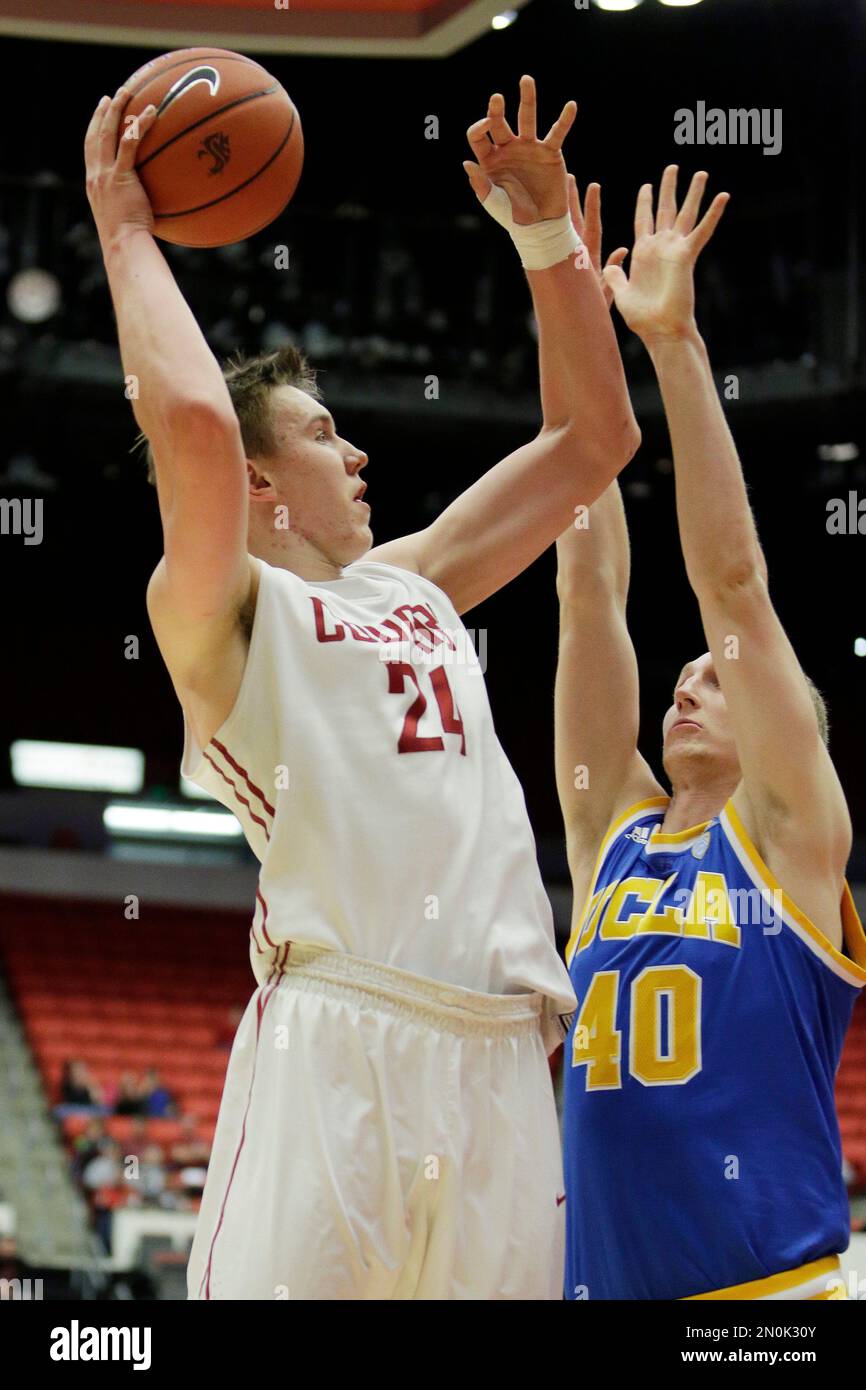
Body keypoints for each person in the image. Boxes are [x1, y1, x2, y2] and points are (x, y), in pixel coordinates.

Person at [85, 74, 639, 1299]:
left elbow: (593, 441)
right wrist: (123, 225)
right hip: (339, 1042)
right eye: (327, 433)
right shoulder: (221, 617)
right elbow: (186, 418)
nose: (359, 448)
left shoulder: (416, 585)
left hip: (502, 1059)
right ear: (261, 486)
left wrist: (545, 238)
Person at [554, 166, 866, 1301]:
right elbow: (585, 587)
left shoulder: (787, 837)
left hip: (761, 1306)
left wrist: (673, 343)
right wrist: (568, 309)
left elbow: (731, 586)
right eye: (678, 677)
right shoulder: (608, 839)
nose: (686, 687)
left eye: (715, 684)